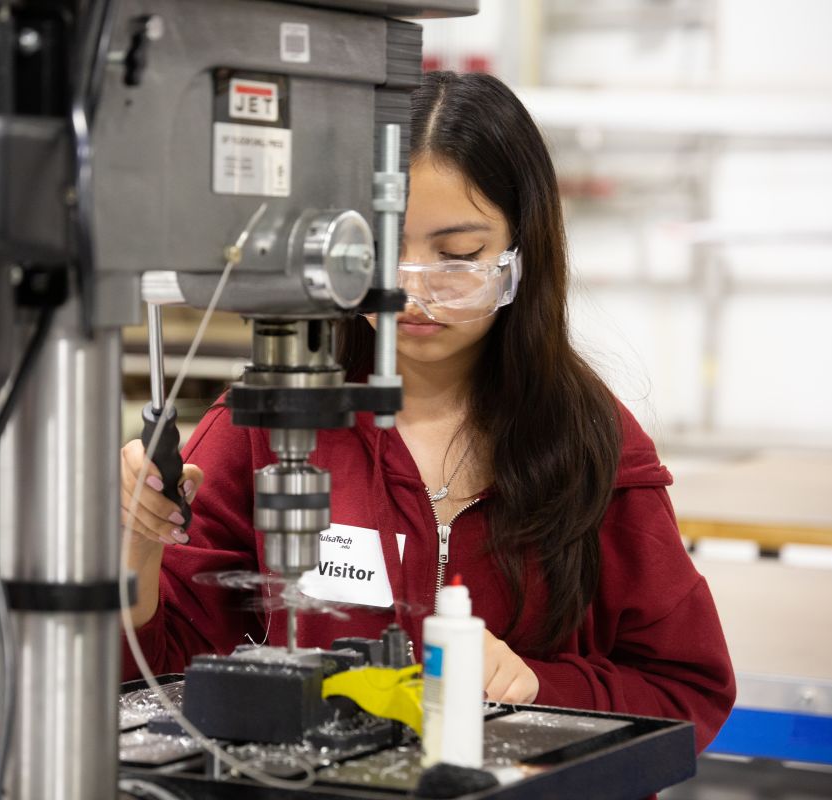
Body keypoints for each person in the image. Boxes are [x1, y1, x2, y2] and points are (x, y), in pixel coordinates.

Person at [120, 71, 735, 751]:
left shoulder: (592, 443)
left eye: (458, 256)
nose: (410, 293)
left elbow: (687, 692)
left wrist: (537, 688)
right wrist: (138, 548)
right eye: (381, 251)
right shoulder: (272, 419)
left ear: (520, 253)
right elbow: (156, 670)